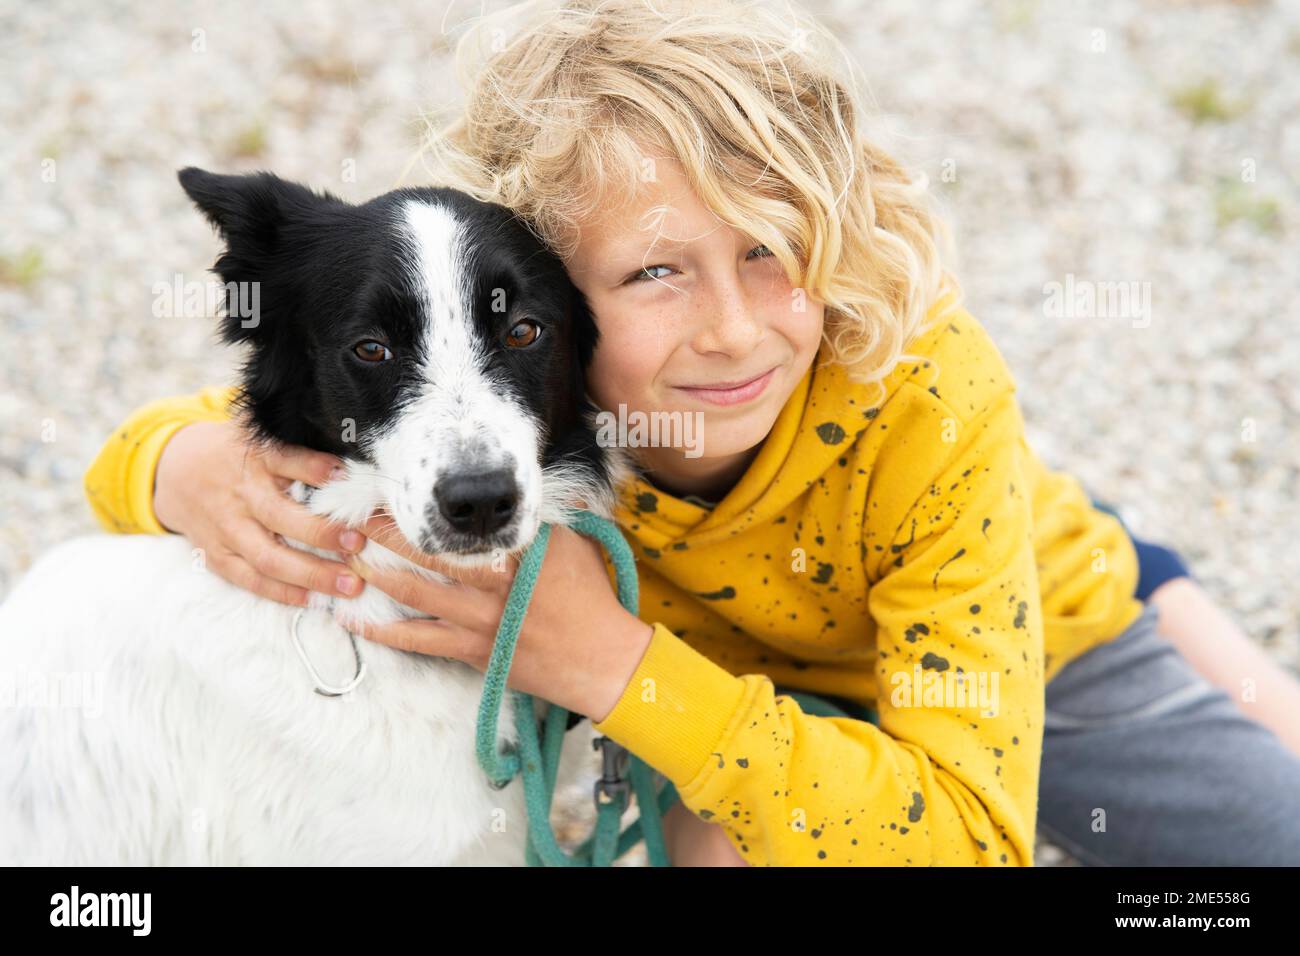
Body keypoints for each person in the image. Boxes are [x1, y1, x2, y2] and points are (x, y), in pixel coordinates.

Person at [82, 0, 1300, 866]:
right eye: (657, 268)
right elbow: (227, 421)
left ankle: (1155, 582)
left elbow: (967, 842)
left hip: (1012, 634)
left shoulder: (927, 389)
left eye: (772, 252)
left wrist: (608, 664)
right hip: (738, 688)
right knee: (740, 838)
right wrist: (176, 468)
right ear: (540, 294)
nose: (729, 330)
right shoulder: (501, 381)